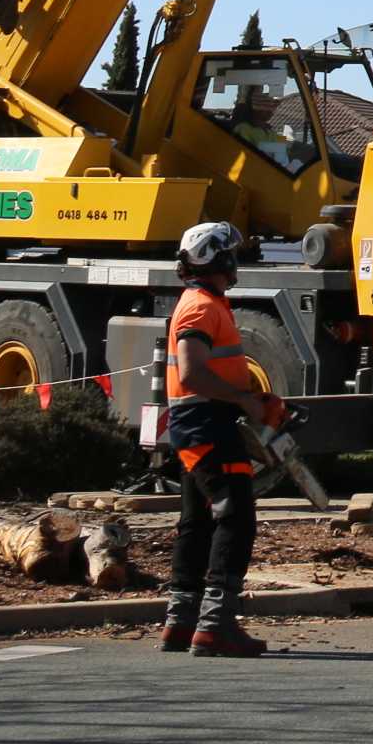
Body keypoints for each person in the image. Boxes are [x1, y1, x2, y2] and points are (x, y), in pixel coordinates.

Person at [162, 220, 287, 658]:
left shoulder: (203, 302)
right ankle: (215, 625)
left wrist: (249, 397)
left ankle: (181, 621)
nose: (237, 261)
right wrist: (246, 402)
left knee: (197, 522)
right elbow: (193, 372)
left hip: (200, 421)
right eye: (231, 254)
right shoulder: (200, 307)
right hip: (205, 423)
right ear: (218, 258)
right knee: (236, 516)